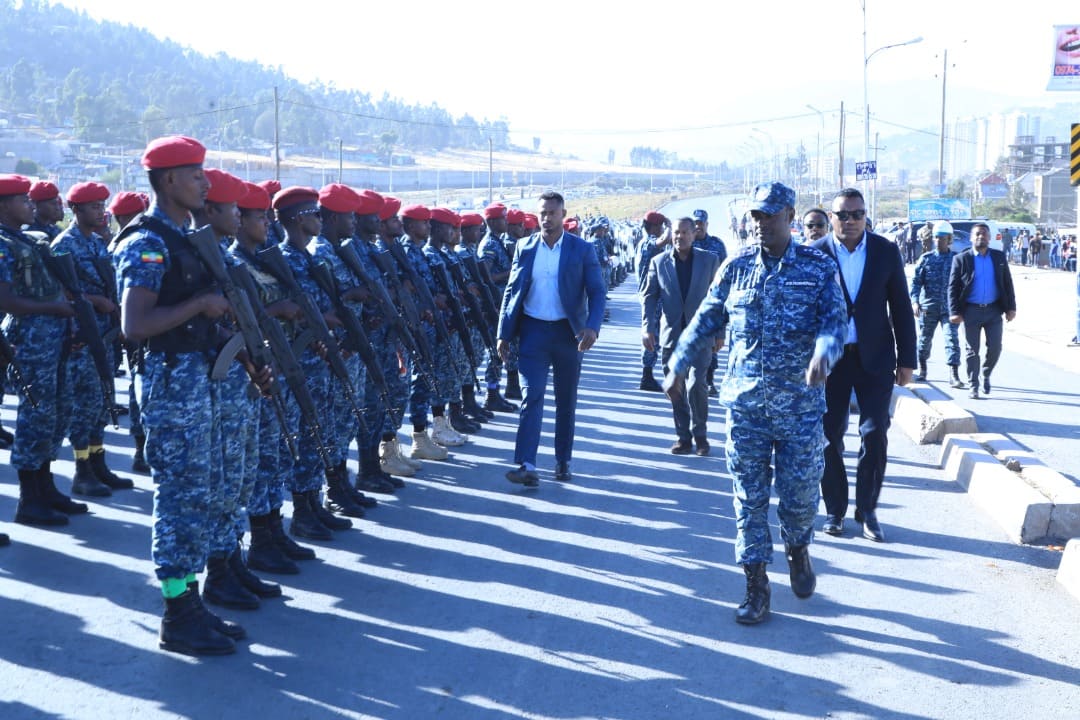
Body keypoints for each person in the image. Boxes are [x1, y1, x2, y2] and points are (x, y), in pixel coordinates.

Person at [665, 181, 846, 624]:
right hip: (746, 407)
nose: (761, 223)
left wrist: (824, 353)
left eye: (769, 215)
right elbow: (707, 317)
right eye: (756, 216)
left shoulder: (818, 268)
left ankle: (799, 546)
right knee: (748, 499)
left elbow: (835, 323)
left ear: (790, 216)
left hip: (800, 409)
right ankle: (755, 585)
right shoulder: (737, 267)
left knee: (800, 496)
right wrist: (678, 362)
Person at [114, 135, 248, 655]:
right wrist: (200, 305)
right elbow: (135, 323)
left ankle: (192, 601)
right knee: (177, 497)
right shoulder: (147, 241)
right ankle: (176, 610)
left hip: (197, 380)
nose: (205, 183)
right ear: (168, 180)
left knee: (201, 492)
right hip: (172, 385)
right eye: (196, 175)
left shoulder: (184, 236)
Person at [809, 187, 917, 543]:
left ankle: (867, 510)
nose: (852, 221)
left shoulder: (885, 251)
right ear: (831, 218)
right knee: (829, 436)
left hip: (875, 358)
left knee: (874, 434)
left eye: (858, 214)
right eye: (844, 215)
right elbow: (803, 314)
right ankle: (835, 511)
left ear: (866, 216)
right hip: (832, 363)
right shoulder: (814, 254)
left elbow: (901, 307)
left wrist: (907, 360)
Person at [498, 190, 606, 487]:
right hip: (532, 332)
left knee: (565, 400)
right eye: (542, 213)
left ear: (563, 215)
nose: (546, 218)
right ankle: (526, 463)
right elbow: (512, 290)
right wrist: (503, 333)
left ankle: (562, 459)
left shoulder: (581, 250)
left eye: (552, 213)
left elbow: (597, 291)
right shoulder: (524, 247)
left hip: (567, 335)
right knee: (531, 395)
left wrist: (592, 327)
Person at [0, 174, 80, 535]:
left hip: (52, 339)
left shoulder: (27, 239)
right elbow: (6, 301)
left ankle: (46, 488)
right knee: (34, 417)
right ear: (3, 206)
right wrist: (53, 309)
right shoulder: (2, 244)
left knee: (55, 412)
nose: (30, 204)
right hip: (30, 341)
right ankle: (29, 500)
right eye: (22, 200)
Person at [642, 217, 720, 455]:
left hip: (701, 336)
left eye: (685, 232)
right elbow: (649, 296)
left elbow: (719, 298)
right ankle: (683, 437)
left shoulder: (709, 260)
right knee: (675, 388)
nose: (679, 237)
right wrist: (648, 327)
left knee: (697, 385)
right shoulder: (659, 261)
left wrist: (720, 332)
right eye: (676, 233)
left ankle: (701, 435)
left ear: (694, 234)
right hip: (672, 336)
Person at [948, 221, 1017, 399]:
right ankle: (973, 385)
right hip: (970, 311)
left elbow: (1007, 284)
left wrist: (1011, 308)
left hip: (994, 311)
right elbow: (953, 287)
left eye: (984, 234)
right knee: (972, 350)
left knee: (995, 348)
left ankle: (985, 373)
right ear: (971, 238)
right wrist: (954, 312)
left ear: (990, 237)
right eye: (977, 234)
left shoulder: (999, 258)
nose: (981, 236)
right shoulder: (961, 259)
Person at [910, 220, 964, 388]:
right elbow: (916, 282)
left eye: (942, 238)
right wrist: (914, 302)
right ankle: (923, 370)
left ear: (949, 239)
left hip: (949, 309)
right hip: (928, 307)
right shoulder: (926, 259)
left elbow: (962, 284)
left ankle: (954, 374)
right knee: (924, 340)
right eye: (936, 238)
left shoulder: (956, 259)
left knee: (952, 339)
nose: (939, 241)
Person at [635, 211, 670, 391]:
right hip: (650, 295)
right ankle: (646, 375)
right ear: (655, 227)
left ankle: (648, 373)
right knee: (651, 335)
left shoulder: (645, 242)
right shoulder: (648, 242)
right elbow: (663, 241)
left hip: (654, 295)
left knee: (655, 334)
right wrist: (671, 227)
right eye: (660, 225)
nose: (663, 228)